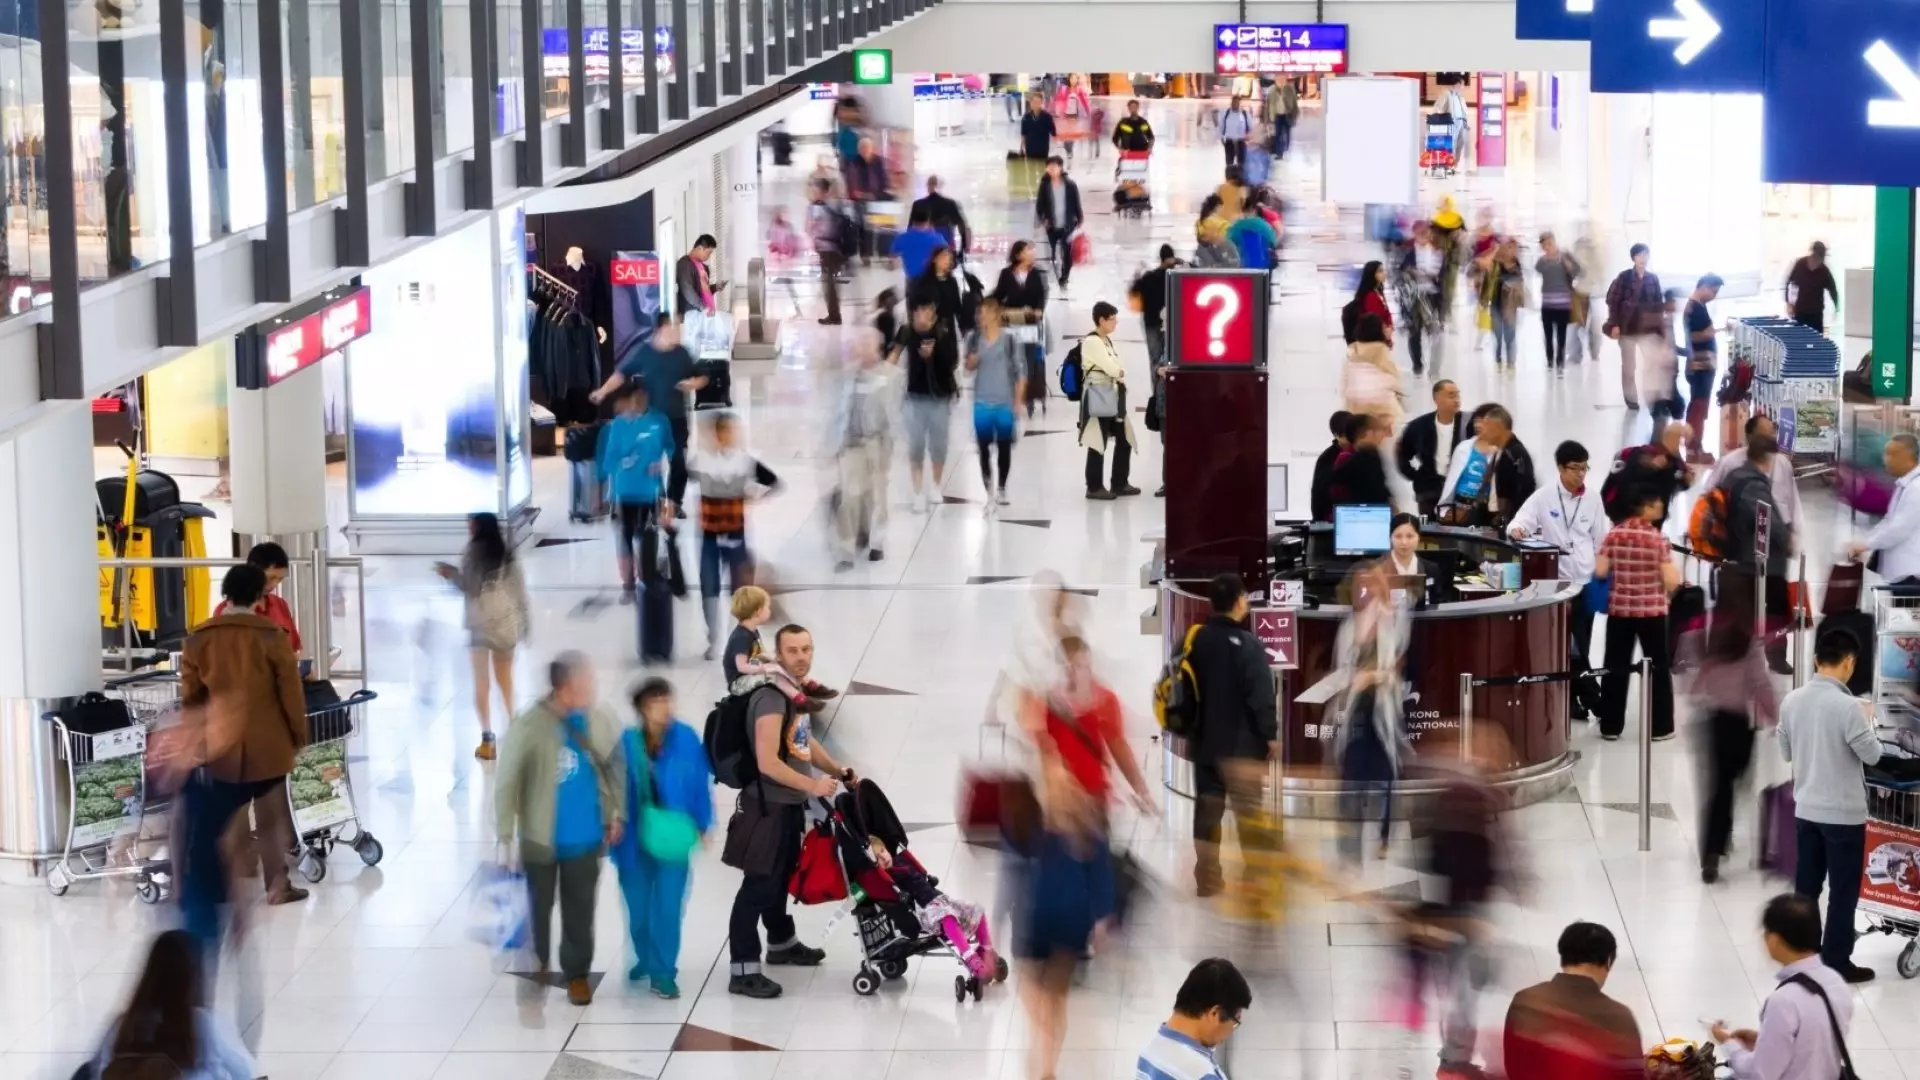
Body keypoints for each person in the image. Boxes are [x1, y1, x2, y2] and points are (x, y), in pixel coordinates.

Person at [1017, 634, 1151, 1080]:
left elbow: (1118, 748)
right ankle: (1077, 941)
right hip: (1056, 810)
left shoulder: (1105, 701)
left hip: (1092, 806)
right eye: (1073, 665)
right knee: (1069, 872)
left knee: (1092, 869)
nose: (1080, 673)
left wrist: (1140, 789)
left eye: (1085, 664)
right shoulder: (1048, 704)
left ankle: (1083, 939)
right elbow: (1040, 751)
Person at [169, 565, 312, 947]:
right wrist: (297, 735)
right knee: (271, 818)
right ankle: (277, 885)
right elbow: (291, 694)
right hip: (269, 744)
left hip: (220, 744)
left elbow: (191, 698)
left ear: (225, 596)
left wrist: (199, 739)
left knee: (229, 818)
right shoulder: (271, 637)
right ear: (258, 598)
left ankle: (231, 883)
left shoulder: (199, 640)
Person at [724, 624, 850, 999]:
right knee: (758, 886)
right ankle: (743, 969)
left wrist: (837, 770)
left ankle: (781, 943)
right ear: (778, 655)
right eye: (793, 650)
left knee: (779, 879)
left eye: (807, 649)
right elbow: (767, 761)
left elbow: (802, 741)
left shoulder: (790, 694)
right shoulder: (770, 698)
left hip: (787, 805)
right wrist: (812, 785)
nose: (802, 657)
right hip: (767, 809)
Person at [495, 651, 627, 1006]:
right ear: (565, 687)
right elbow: (507, 780)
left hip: (585, 839)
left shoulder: (600, 719)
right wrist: (505, 834)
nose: (593, 688)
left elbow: (616, 768)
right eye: (586, 682)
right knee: (538, 908)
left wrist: (616, 812)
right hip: (540, 838)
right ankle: (538, 963)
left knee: (580, 911)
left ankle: (577, 974)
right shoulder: (530, 725)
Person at [1777, 630, 1884, 981]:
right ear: (1850, 662)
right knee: (1843, 890)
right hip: (1843, 815)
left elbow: (1786, 752)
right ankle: (1837, 961)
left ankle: (1803, 956)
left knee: (1807, 886)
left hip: (1806, 808)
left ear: (1815, 659)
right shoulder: (1847, 707)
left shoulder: (1792, 700)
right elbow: (1874, 755)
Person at [610, 677, 712, 1000]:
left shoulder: (686, 738)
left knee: (668, 907)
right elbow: (611, 786)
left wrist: (703, 822)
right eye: (656, 702)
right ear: (642, 709)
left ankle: (663, 971)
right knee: (638, 908)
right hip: (632, 839)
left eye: (668, 700)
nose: (666, 708)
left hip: (674, 836)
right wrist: (611, 819)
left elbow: (700, 783)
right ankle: (645, 955)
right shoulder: (627, 743)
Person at [1186, 574, 1280, 897]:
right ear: (1240, 600)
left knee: (1208, 810)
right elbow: (1262, 696)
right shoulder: (1250, 645)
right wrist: (1271, 735)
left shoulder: (1194, 639)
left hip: (1205, 744)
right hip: (1242, 748)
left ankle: (1208, 878)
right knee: (1249, 814)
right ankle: (1255, 879)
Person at [1680, 575, 1777, 883]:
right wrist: (1774, 715)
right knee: (1732, 781)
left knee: (1715, 785)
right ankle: (1716, 844)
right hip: (1739, 722)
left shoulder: (1701, 627)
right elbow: (1759, 681)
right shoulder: (1745, 636)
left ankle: (1714, 846)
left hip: (1708, 719)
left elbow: (1684, 670)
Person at [1508, 441, 1609, 719]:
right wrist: (1517, 530)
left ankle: (1576, 699)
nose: (1580, 475)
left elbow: (1601, 538)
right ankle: (1593, 698)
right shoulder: (1543, 498)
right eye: (1574, 469)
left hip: (1585, 580)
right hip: (1558, 584)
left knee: (1581, 644)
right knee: (1568, 643)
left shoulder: (1593, 499)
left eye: (1584, 468)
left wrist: (1602, 571)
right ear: (1560, 469)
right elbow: (1520, 522)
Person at [1712, 894, 1859, 1072]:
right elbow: (1815, 1045)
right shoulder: (1836, 982)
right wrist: (1764, 1041)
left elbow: (1761, 1074)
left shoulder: (1784, 1001)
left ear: (1773, 940)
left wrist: (1729, 1045)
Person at [91, 929, 257, 1080]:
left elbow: (97, 1070)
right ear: (193, 977)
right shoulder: (204, 1024)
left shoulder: (122, 1025)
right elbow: (245, 1071)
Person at [434, 512, 530, 760]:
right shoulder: (507, 552)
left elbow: (470, 586)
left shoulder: (474, 552)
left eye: (471, 525)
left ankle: (488, 740)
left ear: (477, 528)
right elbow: (520, 591)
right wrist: (526, 625)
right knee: (506, 680)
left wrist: (449, 573)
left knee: (482, 684)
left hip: (480, 626)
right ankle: (516, 729)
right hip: (506, 625)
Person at [686, 412, 780, 658]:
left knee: (739, 588)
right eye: (726, 431)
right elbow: (677, 479)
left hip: (735, 533)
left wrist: (755, 496)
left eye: (733, 431)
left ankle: (739, 639)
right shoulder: (700, 461)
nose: (731, 436)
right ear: (717, 434)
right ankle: (713, 638)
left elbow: (774, 481)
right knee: (709, 585)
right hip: (709, 535)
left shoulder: (744, 461)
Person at [1334, 560, 1411, 861]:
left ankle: (1384, 835)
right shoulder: (1349, 626)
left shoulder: (1391, 621)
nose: (1363, 591)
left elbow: (1396, 668)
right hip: (1356, 709)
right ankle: (1349, 849)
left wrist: (1374, 677)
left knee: (1386, 774)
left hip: (1383, 709)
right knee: (1351, 776)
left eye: (1370, 585)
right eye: (1358, 586)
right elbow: (1342, 667)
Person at [1502, 922, 1644, 1080]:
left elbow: (1513, 1066)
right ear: (1608, 961)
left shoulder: (1526, 1001)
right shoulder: (1620, 1017)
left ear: (1563, 958)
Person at [1593, 488, 1680, 742]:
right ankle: (1661, 727)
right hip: (1652, 612)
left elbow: (1600, 571)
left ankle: (1610, 726)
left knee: (1615, 666)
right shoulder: (1657, 539)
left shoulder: (1614, 535)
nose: (1661, 504)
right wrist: (1672, 586)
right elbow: (1670, 580)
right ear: (1643, 507)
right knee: (1658, 668)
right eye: (1656, 501)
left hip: (1620, 611)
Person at [592, 320, 703, 511]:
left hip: (676, 419)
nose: (675, 332)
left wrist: (693, 384)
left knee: (678, 462)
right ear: (659, 330)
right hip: (653, 420)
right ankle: (658, 502)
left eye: (677, 328)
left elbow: (701, 376)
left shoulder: (682, 353)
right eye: (672, 328)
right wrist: (602, 392)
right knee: (651, 461)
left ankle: (675, 503)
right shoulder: (644, 352)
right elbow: (621, 375)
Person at [595, 382, 675, 616]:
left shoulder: (658, 422)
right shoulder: (618, 425)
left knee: (648, 538)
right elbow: (609, 460)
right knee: (624, 539)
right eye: (636, 398)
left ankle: (646, 579)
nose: (640, 402)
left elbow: (670, 449)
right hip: (623, 494)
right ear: (629, 400)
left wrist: (662, 468)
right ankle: (628, 584)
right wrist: (621, 466)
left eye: (644, 397)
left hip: (650, 492)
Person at [892, 297, 960, 513]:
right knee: (915, 446)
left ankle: (936, 485)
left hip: (939, 397)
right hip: (915, 396)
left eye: (926, 310)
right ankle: (918, 492)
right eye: (918, 310)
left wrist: (935, 353)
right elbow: (894, 355)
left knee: (939, 444)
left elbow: (952, 361)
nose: (921, 314)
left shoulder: (943, 332)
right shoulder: (906, 332)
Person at [832, 329, 894, 567]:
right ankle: (846, 550)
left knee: (876, 496)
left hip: (876, 444)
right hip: (852, 445)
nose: (861, 349)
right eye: (859, 344)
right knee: (849, 497)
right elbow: (838, 411)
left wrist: (888, 450)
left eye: (867, 344)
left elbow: (894, 418)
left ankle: (875, 543)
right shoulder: (848, 377)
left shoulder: (889, 376)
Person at [1134, 958, 1252, 1080]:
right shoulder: (1202, 1074)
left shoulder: (1148, 1054)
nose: (1232, 1030)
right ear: (1214, 1013)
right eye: (1235, 1021)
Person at [967, 298, 1025, 510]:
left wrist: (1018, 401)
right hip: (982, 402)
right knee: (983, 448)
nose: (980, 318)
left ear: (995, 315)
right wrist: (973, 359)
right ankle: (988, 490)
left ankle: (1001, 486)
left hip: (1004, 403)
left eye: (983, 313)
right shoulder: (973, 339)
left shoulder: (1010, 341)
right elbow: (968, 367)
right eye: (979, 314)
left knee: (1004, 447)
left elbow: (1020, 373)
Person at [1436, 405, 1536, 527]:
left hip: (1508, 520)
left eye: (1486, 427)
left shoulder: (1512, 455)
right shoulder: (1500, 452)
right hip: (1485, 514)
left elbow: (1522, 490)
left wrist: (1508, 519)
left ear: (1497, 429)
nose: (1482, 431)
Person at [1078, 301, 1137, 499]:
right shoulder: (1093, 341)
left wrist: (1119, 370)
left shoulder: (1105, 341)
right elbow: (1114, 369)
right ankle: (1094, 487)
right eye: (1112, 319)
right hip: (1099, 395)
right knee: (1097, 440)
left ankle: (1119, 483)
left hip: (1111, 395)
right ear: (1101, 320)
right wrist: (1118, 370)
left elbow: (1119, 365)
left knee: (1124, 438)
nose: (1116, 322)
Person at [1848, 432, 1920, 582]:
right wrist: (1864, 543)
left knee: (1906, 605)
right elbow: (1889, 521)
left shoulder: (1916, 488)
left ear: (1906, 457)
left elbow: (1899, 528)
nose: (1885, 460)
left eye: (1890, 454)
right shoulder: (1905, 485)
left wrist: (1866, 544)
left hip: (1912, 573)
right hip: (1903, 573)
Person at [1602, 242, 1664, 409]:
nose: (1642, 258)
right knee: (1629, 367)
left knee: (1652, 363)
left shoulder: (1653, 279)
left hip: (1647, 330)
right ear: (1633, 258)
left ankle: (1653, 396)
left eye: (1645, 255)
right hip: (1627, 328)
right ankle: (1631, 399)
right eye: (1639, 255)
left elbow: (1659, 305)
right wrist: (1614, 324)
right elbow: (1613, 302)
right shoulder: (1624, 277)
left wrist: (1660, 329)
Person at [992, 241, 1050, 419]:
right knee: (1011, 358)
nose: (1032, 253)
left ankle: (1030, 395)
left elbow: (1041, 296)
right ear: (1018, 255)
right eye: (1028, 251)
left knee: (1030, 358)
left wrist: (1039, 310)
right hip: (1011, 322)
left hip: (1030, 323)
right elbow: (999, 295)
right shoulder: (1006, 274)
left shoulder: (1036, 274)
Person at [212, 542, 299, 658]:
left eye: (280, 579)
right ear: (252, 572)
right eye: (271, 578)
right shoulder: (225, 611)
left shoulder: (280, 604)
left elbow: (293, 649)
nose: (274, 585)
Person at [1397, 381, 1466, 516]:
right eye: (1451, 395)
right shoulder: (1419, 426)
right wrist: (1415, 476)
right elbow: (1402, 453)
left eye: (1458, 395)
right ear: (1436, 399)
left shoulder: (1467, 425)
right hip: (1429, 490)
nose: (1456, 400)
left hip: (1459, 491)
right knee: (1429, 532)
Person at [1600, 423, 1690, 526]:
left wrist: (1686, 481)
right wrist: (1651, 467)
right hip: (1628, 515)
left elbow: (1677, 483)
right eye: (1681, 441)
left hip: (1653, 520)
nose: (1682, 446)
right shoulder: (1640, 453)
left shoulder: (1675, 463)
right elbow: (1626, 479)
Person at [1680, 274, 1723, 459]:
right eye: (1713, 291)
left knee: (1700, 405)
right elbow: (1694, 336)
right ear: (1704, 286)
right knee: (1698, 406)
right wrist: (1708, 334)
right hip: (1699, 366)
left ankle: (1696, 446)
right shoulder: (1694, 308)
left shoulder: (1699, 306)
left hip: (1703, 364)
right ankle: (1693, 448)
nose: (1714, 295)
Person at [1398, 221, 1447, 374]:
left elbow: (1443, 275)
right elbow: (1401, 272)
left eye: (1425, 232)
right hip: (1414, 296)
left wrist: (1433, 277)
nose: (1423, 235)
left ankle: (1434, 368)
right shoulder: (1408, 252)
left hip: (1432, 296)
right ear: (1414, 234)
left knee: (1435, 332)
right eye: (1420, 232)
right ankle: (1417, 364)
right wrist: (1410, 272)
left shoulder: (1438, 252)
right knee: (1414, 332)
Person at [1342, 314, 1403, 428]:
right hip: (1380, 412)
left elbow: (1344, 383)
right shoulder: (1381, 351)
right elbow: (1393, 379)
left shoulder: (1353, 350)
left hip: (1356, 410)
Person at [1033, 157, 1083, 289]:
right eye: (1049, 166)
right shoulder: (1044, 186)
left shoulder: (1070, 185)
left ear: (1061, 168)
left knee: (1067, 251)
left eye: (1055, 166)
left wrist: (1080, 218)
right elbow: (1040, 205)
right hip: (1052, 224)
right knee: (1053, 251)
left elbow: (1076, 203)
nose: (1052, 169)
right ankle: (1056, 271)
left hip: (1068, 224)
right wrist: (1043, 220)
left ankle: (1065, 276)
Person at [1535, 232, 1581, 370]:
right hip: (1547, 303)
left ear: (1554, 241)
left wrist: (1566, 261)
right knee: (1548, 335)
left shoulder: (1565, 256)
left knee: (1561, 334)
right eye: (1544, 245)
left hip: (1563, 303)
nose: (1548, 247)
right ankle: (1550, 360)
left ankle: (1560, 361)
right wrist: (1548, 258)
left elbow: (1577, 271)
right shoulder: (1542, 261)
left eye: (1549, 243)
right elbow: (1538, 269)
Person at [806, 179, 848, 325]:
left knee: (829, 283)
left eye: (815, 189)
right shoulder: (835, 206)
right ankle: (834, 313)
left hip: (827, 249)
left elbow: (811, 228)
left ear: (822, 191)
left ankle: (834, 315)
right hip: (837, 248)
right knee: (831, 283)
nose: (812, 192)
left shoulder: (817, 208)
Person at [1332, 411, 1395, 509]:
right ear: (1365, 433)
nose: (1383, 434)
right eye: (1377, 429)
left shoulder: (1372, 455)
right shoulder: (1360, 458)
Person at [842, 136, 890, 265]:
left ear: (872, 149)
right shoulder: (854, 162)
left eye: (867, 148)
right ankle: (866, 254)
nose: (865, 150)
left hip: (876, 198)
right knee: (863, 227)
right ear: (859, 150)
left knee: (878, 227)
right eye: (862, 148)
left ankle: (880, 252)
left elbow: (884, 179)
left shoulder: (878, 161)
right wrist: (856, 193)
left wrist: (880, 193)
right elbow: (850, 180)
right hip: (860, 199)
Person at [1480, 237, 1526, 369]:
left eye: (1513, 248)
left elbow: (1518, 283)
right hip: (1495, 303)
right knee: (1497, 334)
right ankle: (1498, 358)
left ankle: (1511, 362)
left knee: (1510, 334)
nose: (1511, 250)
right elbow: (1486, 280)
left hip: (1510, 305)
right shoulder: (1494, 264)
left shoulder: (1516, 266)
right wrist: (1483, 299)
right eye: (1508, 247)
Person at [1131, 243, 1178, 366]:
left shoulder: (1149, 277)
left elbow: (1134, 292)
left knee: (1154, 358)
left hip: (1151, 323)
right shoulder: (1176, 277)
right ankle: (1166, 384)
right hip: (1170, 324)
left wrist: (1137, 275)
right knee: (1170, 359)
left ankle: (1156, 384)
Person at [910, 174, 972, 260]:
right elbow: (962, 227)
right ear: (941, 186)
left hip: (924, 250)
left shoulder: (918, 204)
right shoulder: (951, 204)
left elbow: (911, 230)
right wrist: (963, 250)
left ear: (927, 186)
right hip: (946, 248)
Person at [1785, 241, 1840, 333]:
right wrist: (1788, 303)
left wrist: (1836, 308)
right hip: (1800, 312)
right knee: (1800, 340)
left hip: (1816, 314)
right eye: (1815, 257)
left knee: (1816, 342)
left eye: (1820, 259)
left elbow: (1833, 290)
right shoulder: (1800, 265)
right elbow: (1788, 282)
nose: (1817, 262)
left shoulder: (1824, 271)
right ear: (1812, 254)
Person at [1311, 410, 1354, 523]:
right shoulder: (1326, 458)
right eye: (1347, 435)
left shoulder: (1361, 452)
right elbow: (1318, 494)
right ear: (1336, 435)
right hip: (1334, 518)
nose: (1352, 439)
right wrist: (1318, 522)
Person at [888, 206, 947, 283]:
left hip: (912, 282)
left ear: (913, 220)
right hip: (932, 282)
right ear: (928, 220)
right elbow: (947, 258)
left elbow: (892, 258)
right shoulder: (938, 238)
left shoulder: (902, 238)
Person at [1346, 260, 1393, 344]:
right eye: (1380, 271)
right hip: (1373, 340)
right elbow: (1375, 319)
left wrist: (1389, 327)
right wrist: (1385, 332)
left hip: (1380, 337)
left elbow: (1385, 314)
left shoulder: (1378, 291)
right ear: (1372, 274)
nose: (1384, 273)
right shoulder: (1370, 296)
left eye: (1383, 270)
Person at [675, 234, 719, 322]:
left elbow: (702, 291)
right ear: (700, 248)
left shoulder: (703, 267)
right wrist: (703, 308)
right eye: (708, 253)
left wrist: (715, 287)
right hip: (693, 316)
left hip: (705, 315)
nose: (709, 257)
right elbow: (688, 291)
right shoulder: (685, 265)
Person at [1226, 203, 1277, 272]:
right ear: (1254, 211)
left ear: (1243, 212)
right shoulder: (1265, 225)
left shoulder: (1238, 225)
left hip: (1244, 264)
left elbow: (1228, 240)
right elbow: (1273, 242)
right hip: (1265, 263)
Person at [1218, 93, 1255, 169]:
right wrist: (1221, 137)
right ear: (1231, 103)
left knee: (1241, 164)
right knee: (1229, 163)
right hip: (1229, 141)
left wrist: (1249, 138)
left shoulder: (1245, 114)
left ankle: (1241, 177)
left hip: (1241, 141)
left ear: (1239, 103)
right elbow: (1221, 126)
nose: (1235, 104)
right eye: (1234, 102)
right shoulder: (1226, 113)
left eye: (1237, 102)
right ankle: (1229, 178)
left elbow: (1251, 128)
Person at [1265, 78, 1299, 157]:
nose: (1280, 80)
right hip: (1277, 115)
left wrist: (1295, 114)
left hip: (1288, 114)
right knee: (1278, 134)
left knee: (1287, 134)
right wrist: (1268, 117)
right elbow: (1268, 104)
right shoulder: (1272, 90)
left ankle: (1286, 150)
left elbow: (1294, 102)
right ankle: (1279, 153)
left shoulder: (1290, 89)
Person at [1018, 93, 1056, 159]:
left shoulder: (1047, 117)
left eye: (1038, 102)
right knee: (1030, 168)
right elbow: (1024, 134)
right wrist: (1021, 147)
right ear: (1030, 103)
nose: (1035, 104)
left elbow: (1053, 132)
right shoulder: (1026, 117)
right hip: (1030, 149)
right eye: (1033, 102)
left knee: (1042, 168)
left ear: (1041, 103)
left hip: (1043, 149)